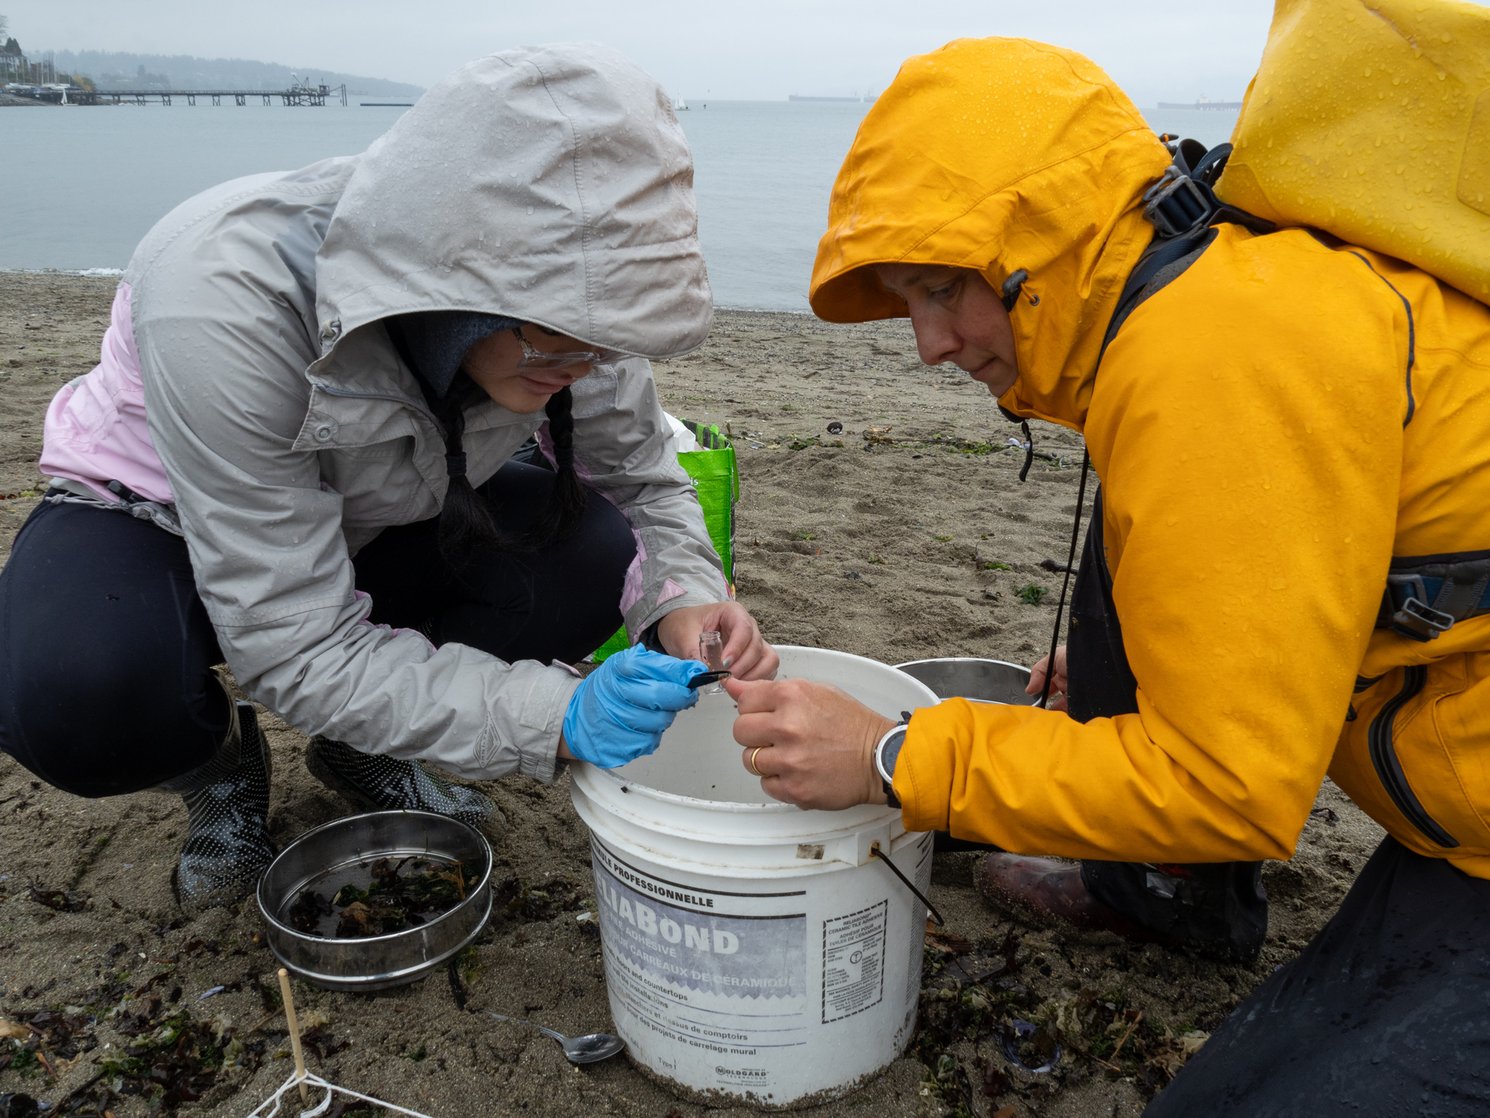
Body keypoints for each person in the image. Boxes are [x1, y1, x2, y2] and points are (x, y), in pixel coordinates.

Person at [722, 35, 1490, 1115]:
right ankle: (1157, 897)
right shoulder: (1185, 296)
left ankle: (1169, 889)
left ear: (1041, 241)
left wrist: (892, 752)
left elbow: (1229, 786)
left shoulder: (1214, 361)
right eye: (908, 303)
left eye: (943, 289)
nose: (929, 345)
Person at [0, 43, 777, 914]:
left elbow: (643, 478)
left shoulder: (577, 309)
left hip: (382, 511)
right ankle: (215, 765)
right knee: (74, 693)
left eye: (604, 337)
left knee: (594, 552)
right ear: (459, 282)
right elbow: (292, 641)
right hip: (157, 519)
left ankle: (356, 744)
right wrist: (550, 717)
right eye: (556, 338)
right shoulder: (223, 291)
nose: (587, 363)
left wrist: (684, 597)